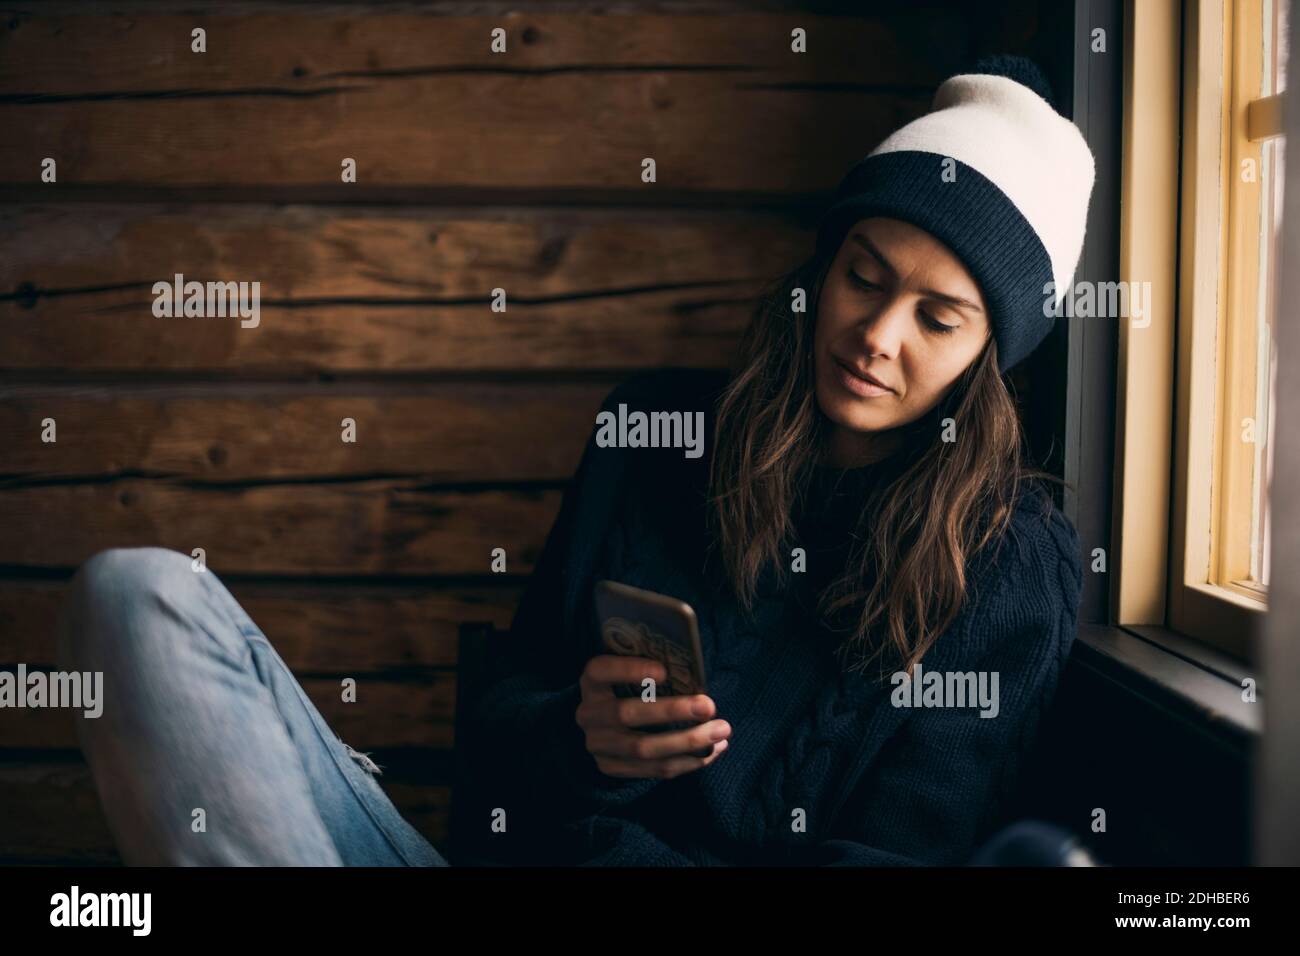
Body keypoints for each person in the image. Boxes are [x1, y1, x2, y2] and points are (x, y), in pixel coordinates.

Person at [56, 53, 1095, 866]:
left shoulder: (1009, 567)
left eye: (938, 318)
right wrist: (573, 736)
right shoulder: (653, 433)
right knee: (140, 594)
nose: (877, 333)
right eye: (863, 275)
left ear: (988, 362)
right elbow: (503, 740)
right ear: (822, 268)